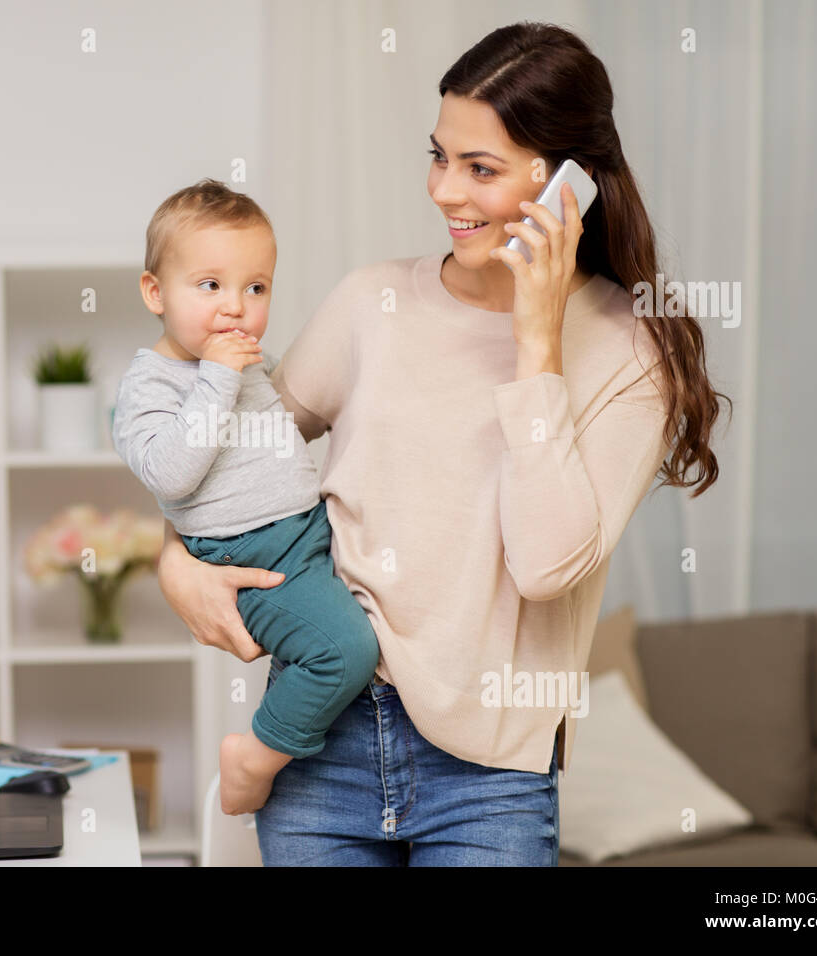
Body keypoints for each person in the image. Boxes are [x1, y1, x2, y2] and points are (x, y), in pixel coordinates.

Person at [156, 22, 731, 865]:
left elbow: (545, 565)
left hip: (491, 776)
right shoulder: (370, 304)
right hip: (322, 743)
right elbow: (225, 457)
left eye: (481, 169)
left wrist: (538, 348)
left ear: (569, 182)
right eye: (440, 156)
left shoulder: (633, 351)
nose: (444, 191)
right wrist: (175, 561)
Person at [111, 179, 380, 816]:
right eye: (209, 286)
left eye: (254, 288)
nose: (235, 307)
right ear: (156, 293)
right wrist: (219, 378)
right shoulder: (149, 384)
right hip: (252, 552)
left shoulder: (246, 361)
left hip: (306, 531)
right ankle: (254, 756)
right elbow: (171, 475)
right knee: (344, 653)